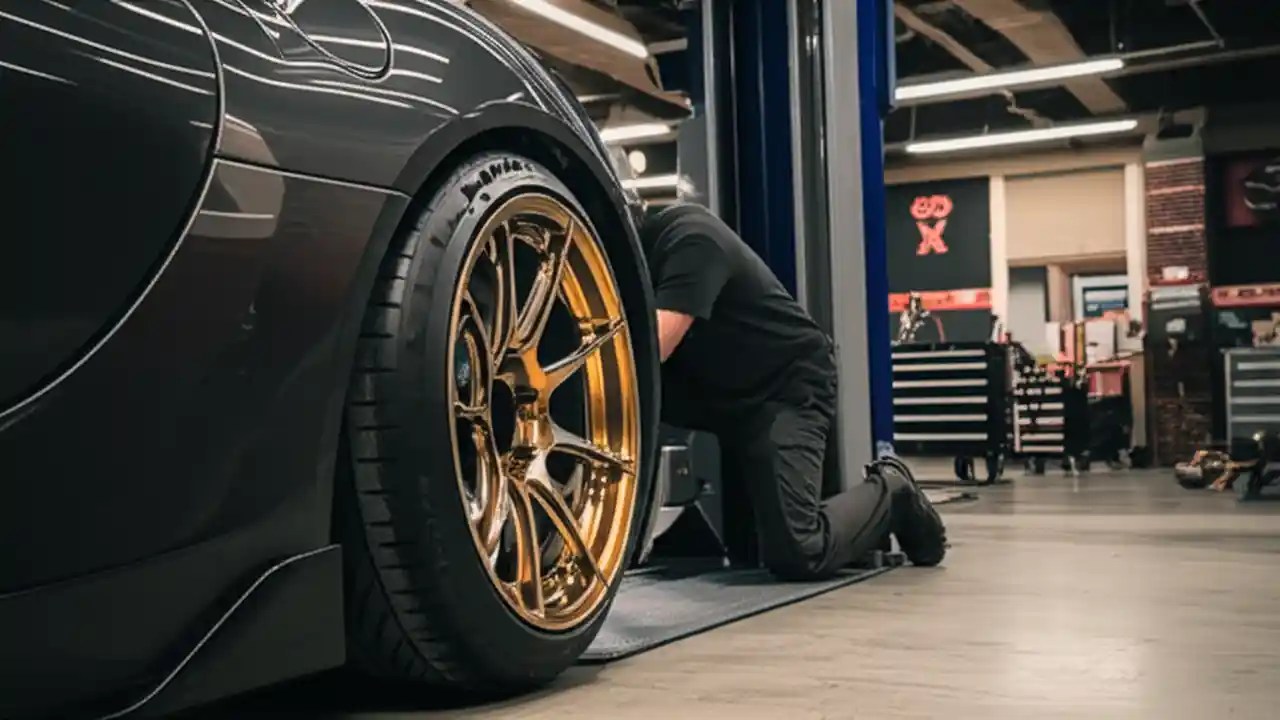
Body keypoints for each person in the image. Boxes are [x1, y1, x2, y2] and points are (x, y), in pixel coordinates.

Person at [637, 201, 948, 580]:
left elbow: (646, 356)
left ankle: (893, 490)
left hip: (785, 389)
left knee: (799, 551)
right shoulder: (637, 267)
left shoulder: (693, 240)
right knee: (745, 552)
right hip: (725, 396)